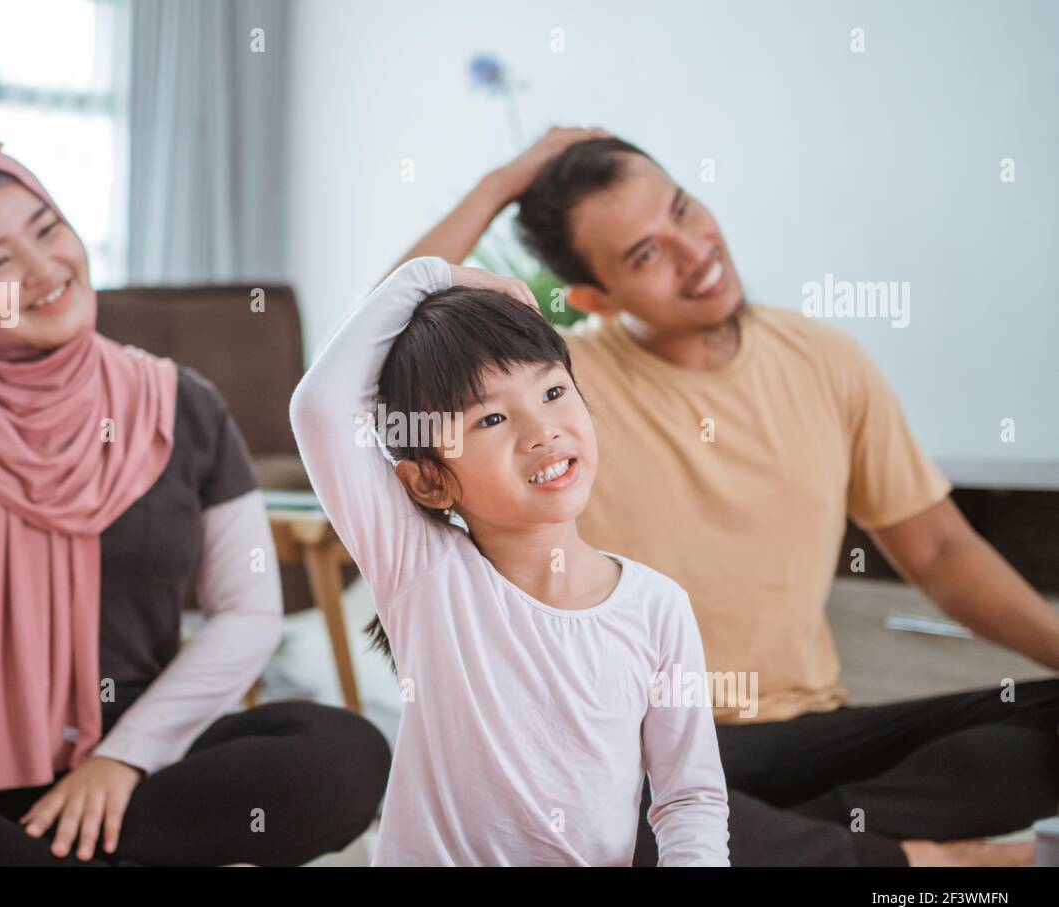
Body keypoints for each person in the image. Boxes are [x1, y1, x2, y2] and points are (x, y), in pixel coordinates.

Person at [394, 127, 1059, 866]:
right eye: (644, 254)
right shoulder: (560, 388)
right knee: (596, 808)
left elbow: (938, 548)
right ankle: (923, 863)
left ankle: (804, 848)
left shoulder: (825, 359)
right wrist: (498, 184)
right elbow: (385, 349)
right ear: (593, 296)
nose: (693, 251)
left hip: (809, 732)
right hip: (641, 752)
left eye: (681, 210)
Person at [0, 132, 391, 866]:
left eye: (47, 229)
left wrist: (122, 760)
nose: (42, 270)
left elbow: (247, 613)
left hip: (138, 771)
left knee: (345, 753)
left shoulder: (183, 404)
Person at [289, 254, 730, 865]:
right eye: (491, 417)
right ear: (429, 482)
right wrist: (431, 275)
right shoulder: (423, 572)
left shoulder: (659, 609)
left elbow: (690, 798)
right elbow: (321, 409)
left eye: (552, 391)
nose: (542, 429)